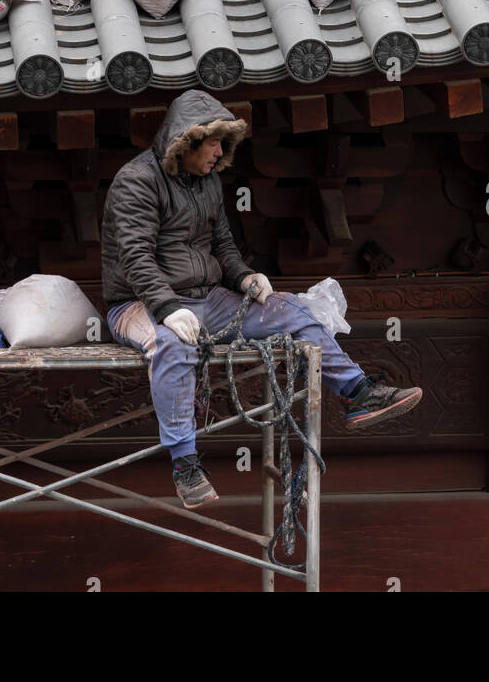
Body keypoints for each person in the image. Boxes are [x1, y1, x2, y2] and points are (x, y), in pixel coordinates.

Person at [101, 88, 423, 508]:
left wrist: (246, 278)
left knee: (291, 310)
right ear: (188, 140)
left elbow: (224, 247)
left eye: (223, 144)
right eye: (214, 142)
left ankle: (357, 393)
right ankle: (185, 464)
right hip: (139, 303)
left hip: (206, 298)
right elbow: (135, 258)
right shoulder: (136, 181)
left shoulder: (208, 182)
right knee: (172, 344)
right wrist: (166, 309)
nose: (220, 152)